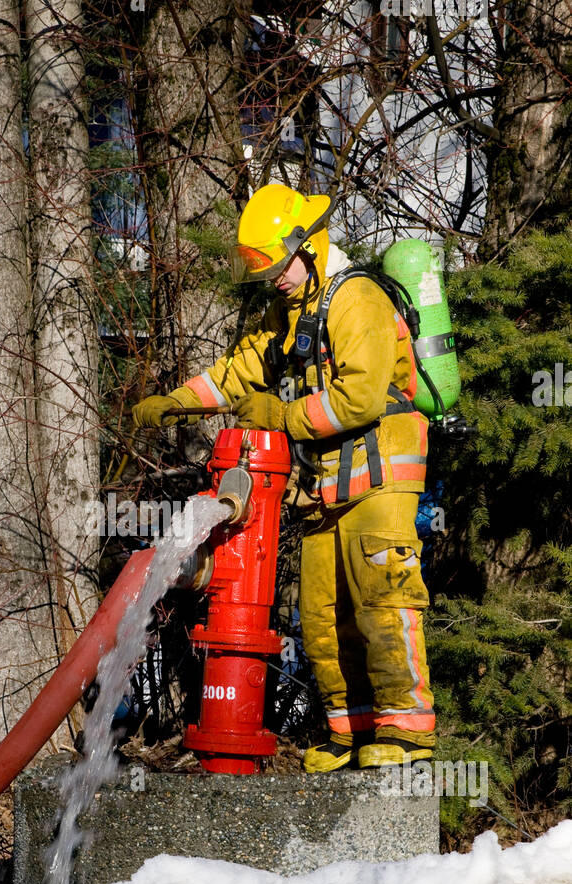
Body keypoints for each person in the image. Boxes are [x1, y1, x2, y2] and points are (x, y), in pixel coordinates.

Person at [132, 183, 435, 773]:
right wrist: (177, 400)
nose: (274, 277)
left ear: (309, 246)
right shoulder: (291, 311)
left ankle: (408, 731)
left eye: (278, 264)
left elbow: (362, 397)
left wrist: (284, 416)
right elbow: (240, 371)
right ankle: (351, 731)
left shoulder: (358, 300)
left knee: (383, 598)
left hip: (382, 479)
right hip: (327, 488)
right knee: (320, 615)